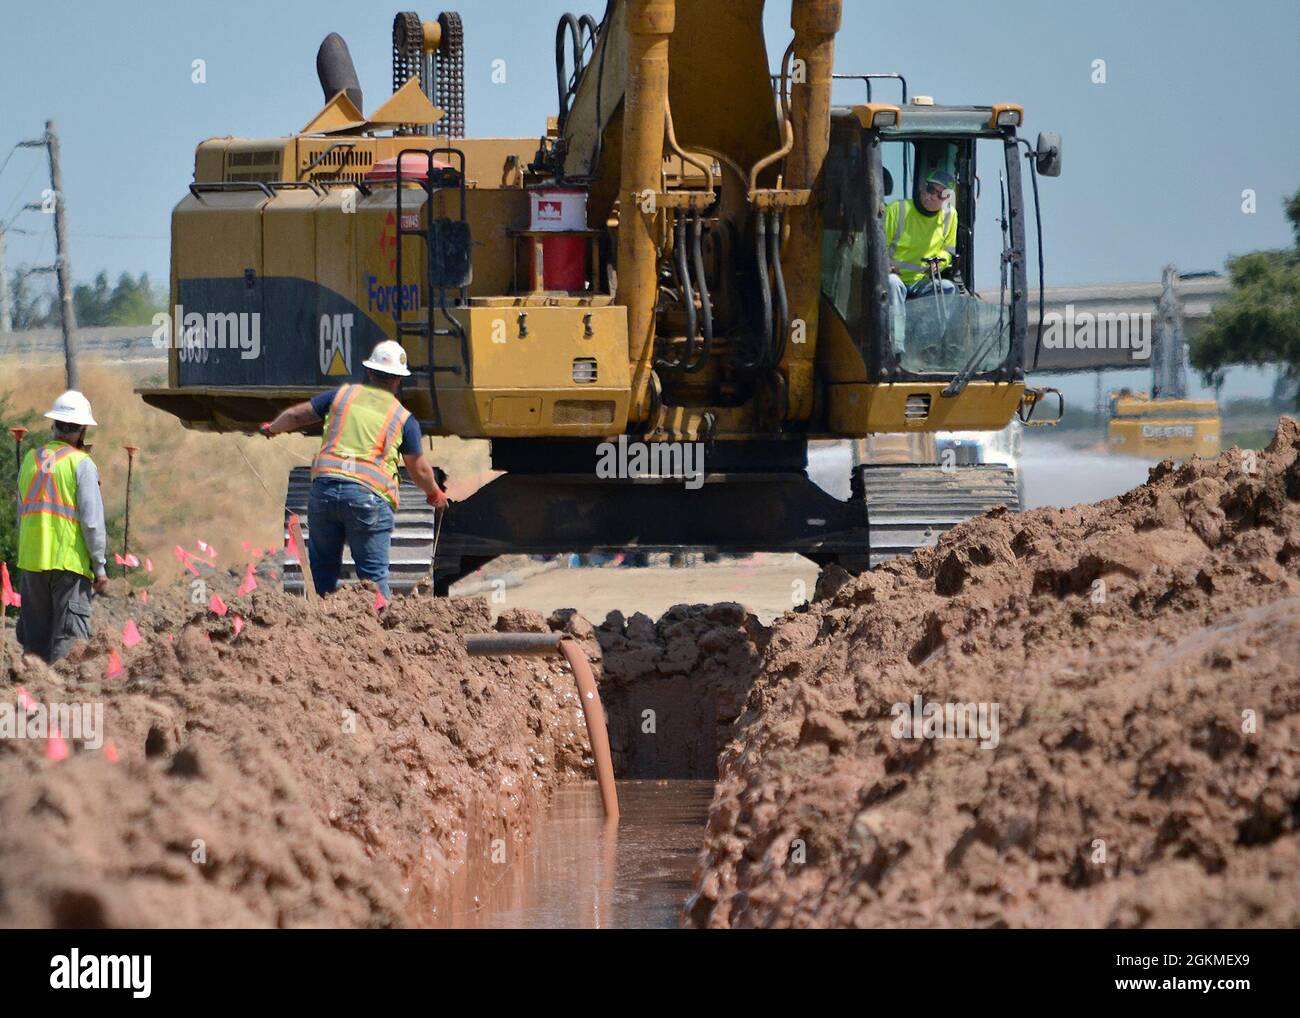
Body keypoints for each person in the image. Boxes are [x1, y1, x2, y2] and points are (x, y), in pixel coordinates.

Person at [261, 340, 448, 598]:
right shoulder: (403, 418)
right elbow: (419, 468)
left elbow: (296, 416)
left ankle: (316, 629)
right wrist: (435, 494)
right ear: (398, 381)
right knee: (373, 579)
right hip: (368, 500)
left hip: (324, 493)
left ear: (370, 372)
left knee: (321, 573)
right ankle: (380, 631)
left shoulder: (342, 396)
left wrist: (272, 428)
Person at [16, 391, 110, 663]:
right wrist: (100, 566)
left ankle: (31, 700)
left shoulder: (30, 460)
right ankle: (65, 701)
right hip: (69, 565)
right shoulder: (82, 464)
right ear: (82, 430)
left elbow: (22, 512)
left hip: (31, 564)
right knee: (70, 646)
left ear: (53, 424)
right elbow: (92, 523)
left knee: (34, 646)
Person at [885, 168, 959, 349]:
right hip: (896, 278)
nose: (932, 196)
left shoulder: (950, 217)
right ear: (921, 189)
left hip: (922, 282)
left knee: (947, 288)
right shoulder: (898, 210)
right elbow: (879, 246)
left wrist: (939, 262)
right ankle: (897, 347)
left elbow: (948, 250)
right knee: (892, 283)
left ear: (947, 199)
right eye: (930, 189)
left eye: (940, 194)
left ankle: (927, 345)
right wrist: (884, 264)